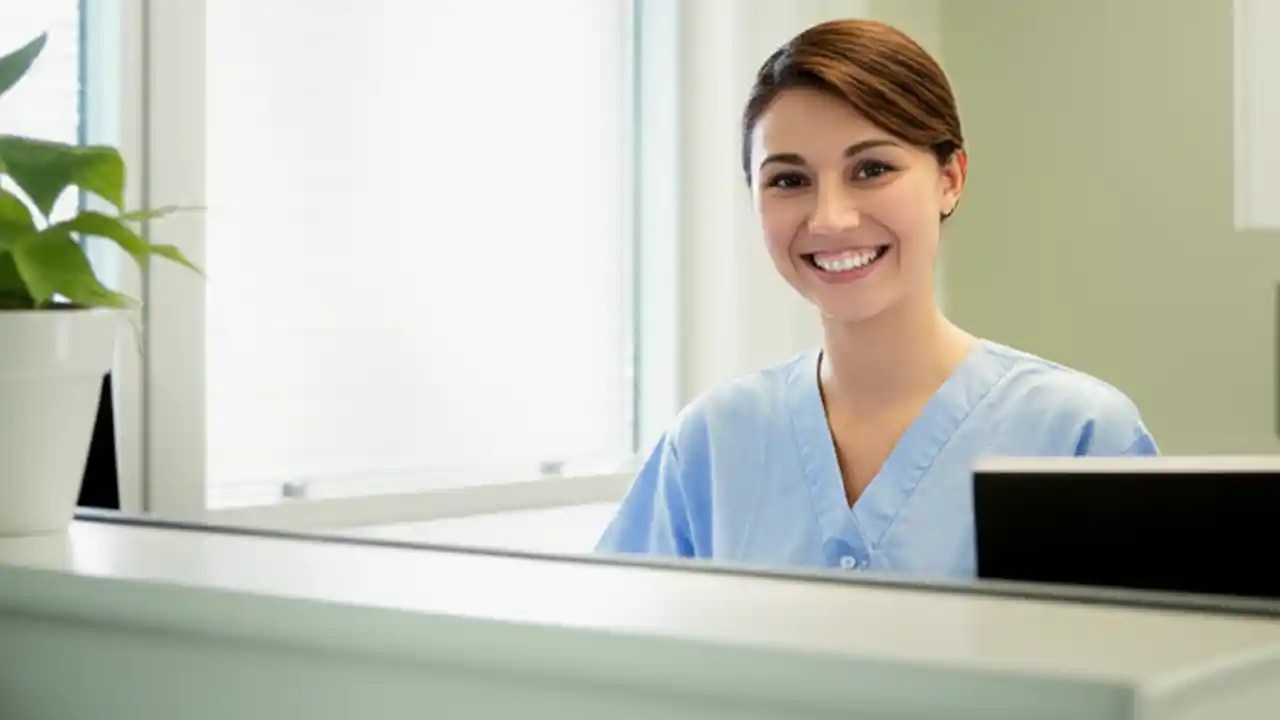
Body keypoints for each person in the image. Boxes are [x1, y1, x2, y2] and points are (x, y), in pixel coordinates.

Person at [595, 18, 1157, 578]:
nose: (831, 218)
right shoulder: (710, 445)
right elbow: (613, 655)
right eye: (789, 180)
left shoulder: (1077, 435)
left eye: (872, 169)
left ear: (950, 178)